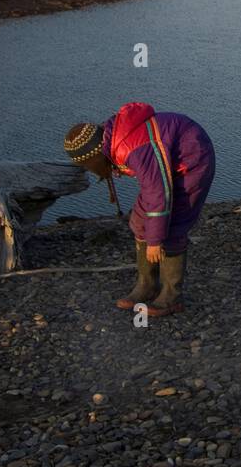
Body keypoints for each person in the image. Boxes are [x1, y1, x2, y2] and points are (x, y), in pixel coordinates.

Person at [64, 102, 216, 317]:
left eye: (90, 165)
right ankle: (148, 285)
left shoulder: (133, 149)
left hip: (192, 163)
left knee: (173, 227)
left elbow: (158, 192)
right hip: (166, 165)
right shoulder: (113, 140)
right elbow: (153, 186)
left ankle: (172, 297)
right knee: (139, 222)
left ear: (94, 157)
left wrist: (154, 242)